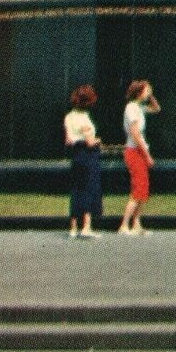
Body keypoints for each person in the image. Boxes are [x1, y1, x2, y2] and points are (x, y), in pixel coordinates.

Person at [119, 79, 160, 236]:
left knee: (143, 188)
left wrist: (150, 96)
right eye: (146, 90)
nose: (148, 93)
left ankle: (136, 223)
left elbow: (157, 109)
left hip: (140, 151)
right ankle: (124, 225)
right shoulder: (131, 108)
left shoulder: (139, 107)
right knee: (138, 188)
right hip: (134, 151)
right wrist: (147, 155)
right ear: (138, 92)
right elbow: (135, 134)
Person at [64, 84, 102, 239]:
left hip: (76, 154)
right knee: (89, 188)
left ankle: (73, 227)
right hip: (88, 155)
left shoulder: (69, 116)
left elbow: (68, 140)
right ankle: (86, 226)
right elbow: (90, 141)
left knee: (76, 188)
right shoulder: (84, 118)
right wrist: (98, 141)